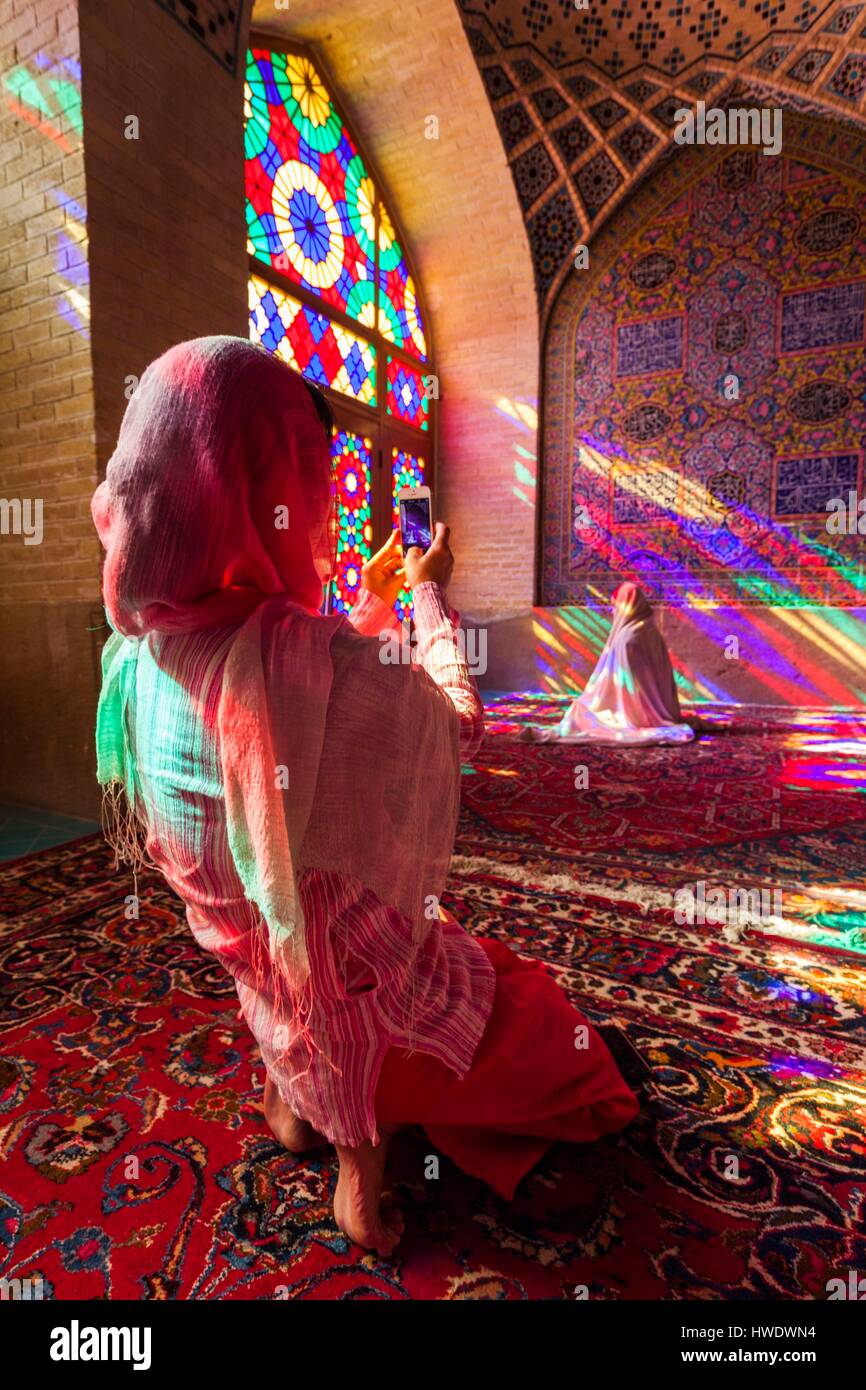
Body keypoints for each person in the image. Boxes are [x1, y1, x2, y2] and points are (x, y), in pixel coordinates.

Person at [92, 336, 638, 1256]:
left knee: (295, 937)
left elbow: (287, 698)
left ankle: (290, 1099)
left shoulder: (136, 661)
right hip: (359, 984)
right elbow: (447, 721)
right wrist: (426, 604)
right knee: (578, 1060)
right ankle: (361, 1167)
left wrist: (371, 608)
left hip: (267, 969)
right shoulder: (314, 662)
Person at [524, 582, 695, 745]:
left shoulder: (628, 639)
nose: (613, 612)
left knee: (580, 712)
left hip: (634, 714)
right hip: (661, 710)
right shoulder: (650, 631)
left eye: (615, 606)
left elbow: (625, 689)